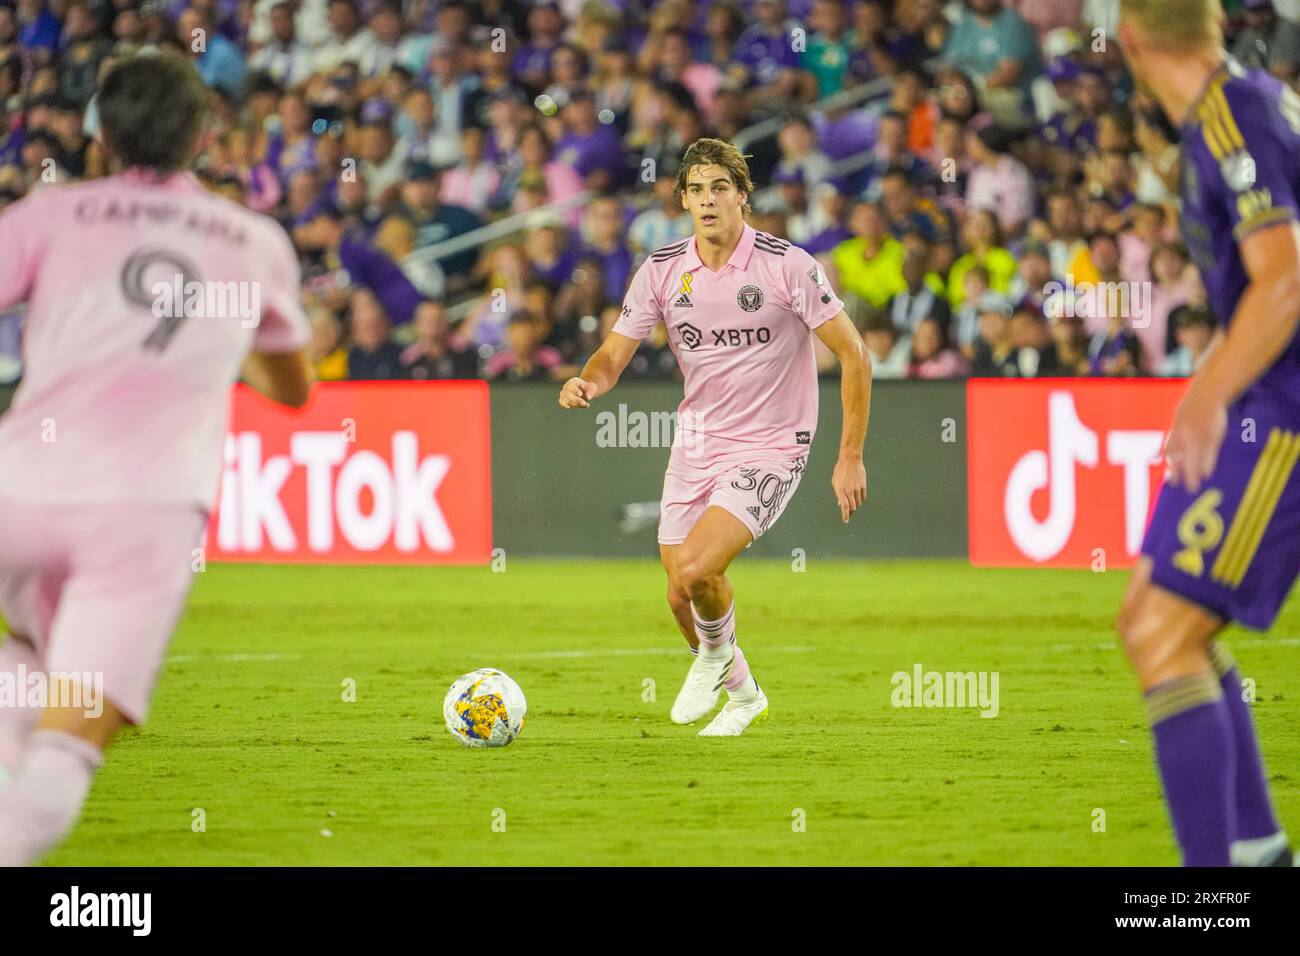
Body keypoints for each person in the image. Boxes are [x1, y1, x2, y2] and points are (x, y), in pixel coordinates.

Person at [0, 54, 312, 866]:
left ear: (100, 133)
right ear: (206, 134)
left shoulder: (46, 214)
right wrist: (215, 349)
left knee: (27, 669)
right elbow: (293, 388)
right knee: (67, 743)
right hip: (144, 512)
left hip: (18, 489)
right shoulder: (252, 240)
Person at [558, 138, 870, 737]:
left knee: (701, 568)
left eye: (720, 188)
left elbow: (854, 354)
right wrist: (588, 381)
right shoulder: (662, 271)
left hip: (773, 446)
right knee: (681, 592)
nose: (708, 200)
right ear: (682, 200)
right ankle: (746, 696)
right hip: (697, 443)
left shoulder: (788, 266)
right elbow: (613, 353)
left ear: (742, 198)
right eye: (697, 189)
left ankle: (712, 658)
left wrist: (849, 456)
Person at [1115, 0, 1300, 867]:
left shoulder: (1233, 116)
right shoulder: (1234, 111)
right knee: (1154, 620)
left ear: (1130, 42)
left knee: (1161, 633)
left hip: (1286, 411)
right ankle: (1258, 855)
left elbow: (1285, 281)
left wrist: (1205, 397)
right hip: (1264, 396)